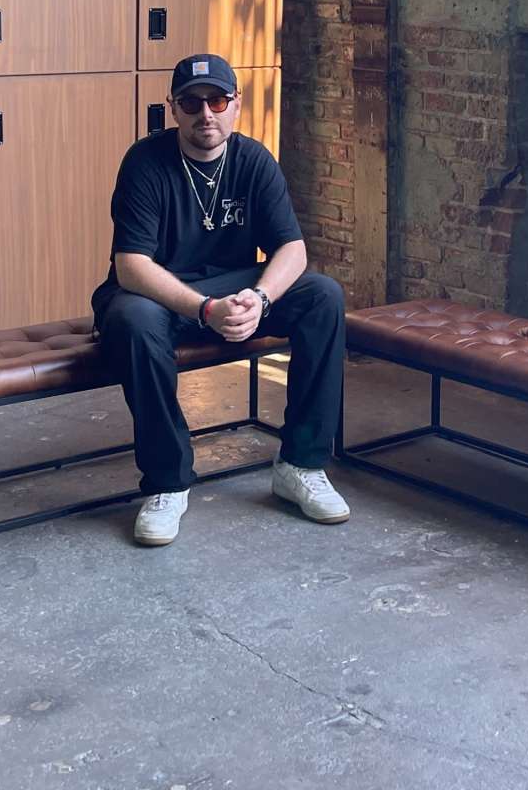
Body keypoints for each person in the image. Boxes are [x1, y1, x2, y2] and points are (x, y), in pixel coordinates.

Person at [91, 53, 349, 546]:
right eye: (191, 102)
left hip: (233, 289)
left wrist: (260, 298)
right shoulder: (145, 162)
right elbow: (132, 266)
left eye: (217, 100)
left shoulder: (253, 160)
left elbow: (291, 249)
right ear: (173, 109)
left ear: (236, 104)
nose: (205, 113)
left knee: (323, 296)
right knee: (134, 320)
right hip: (159, 295)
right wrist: (205, 310)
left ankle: (300, 465)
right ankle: (168, 483)